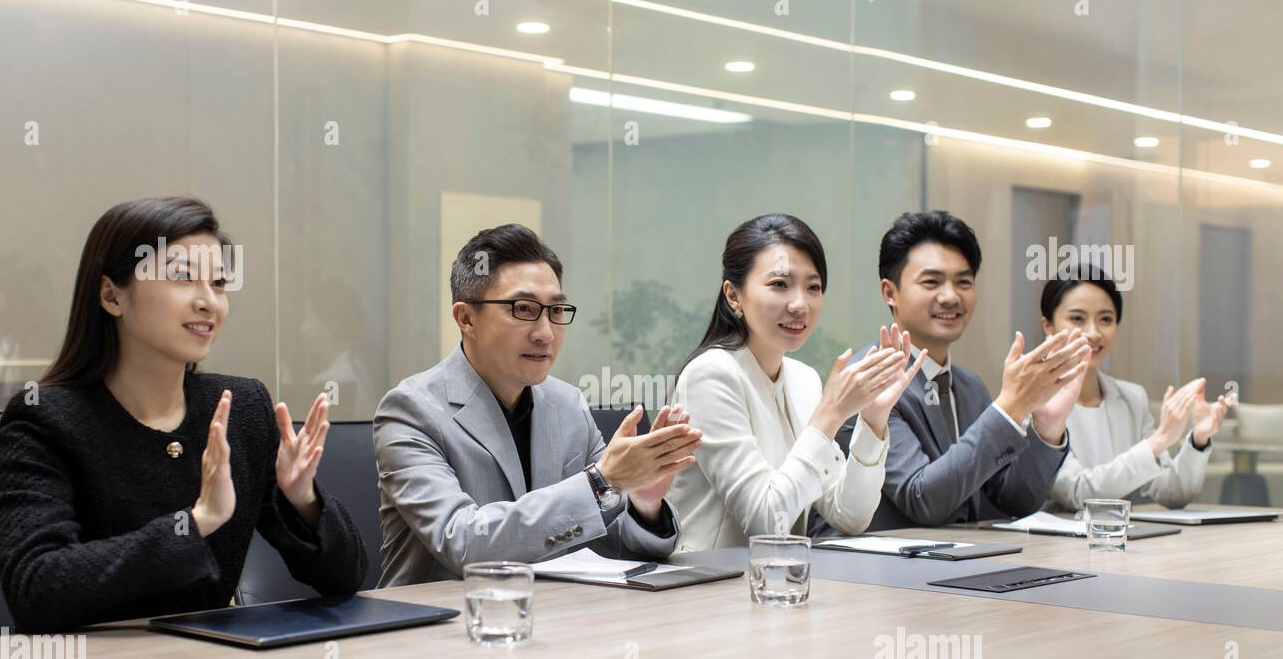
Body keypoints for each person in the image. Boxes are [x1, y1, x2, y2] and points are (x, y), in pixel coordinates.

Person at [0, 197, 367, 633]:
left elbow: (344, 579)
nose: (209, 303)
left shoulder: (239, 408)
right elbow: (35, 590)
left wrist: (303, 502)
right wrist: (197, 521)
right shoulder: (45, 419)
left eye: (220, 283)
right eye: (183, 277)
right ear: (112, 295)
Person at [373, 224, 699, 585]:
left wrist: (644, 503)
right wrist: (601, 482)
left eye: (556, 311)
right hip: (436, 627)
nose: (545, 333)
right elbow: (462, 543)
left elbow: (612, 542)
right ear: (466, 318)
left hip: (553, 620)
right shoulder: (410, 411)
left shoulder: (568, 404)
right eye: (523, 308)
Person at [811, 210, 1092, 533]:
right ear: (890, 292)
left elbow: (1013, 500)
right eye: (931, 282)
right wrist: (1010, 407)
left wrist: (1047, 427)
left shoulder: (970, 386)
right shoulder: (866, 381)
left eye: (963, 282)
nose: (950, 296)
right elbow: (922, 499)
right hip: (867, 576)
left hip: (956, 570)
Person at [668, 213, 923, 551]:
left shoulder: (803, 379)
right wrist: (829, 415)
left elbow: (850, 515)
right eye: (779, 285)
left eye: (813, 287)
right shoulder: (710, 375)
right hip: (706, 586)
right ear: (733, 295)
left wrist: (873, 420)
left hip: (780, 583)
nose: (800, 304)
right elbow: (766, 520)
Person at [1040, 267, 1233, 511]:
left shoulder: (1132, 398)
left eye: (1106, 319)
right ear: (1048, 326)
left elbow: (1172, 492)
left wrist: (1198, 439)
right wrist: (1159, 440)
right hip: (1052, 545)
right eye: (1077, 318)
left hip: (1116, 541)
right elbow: (1078, 493)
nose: (1094, 333)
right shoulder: (1034, 402)